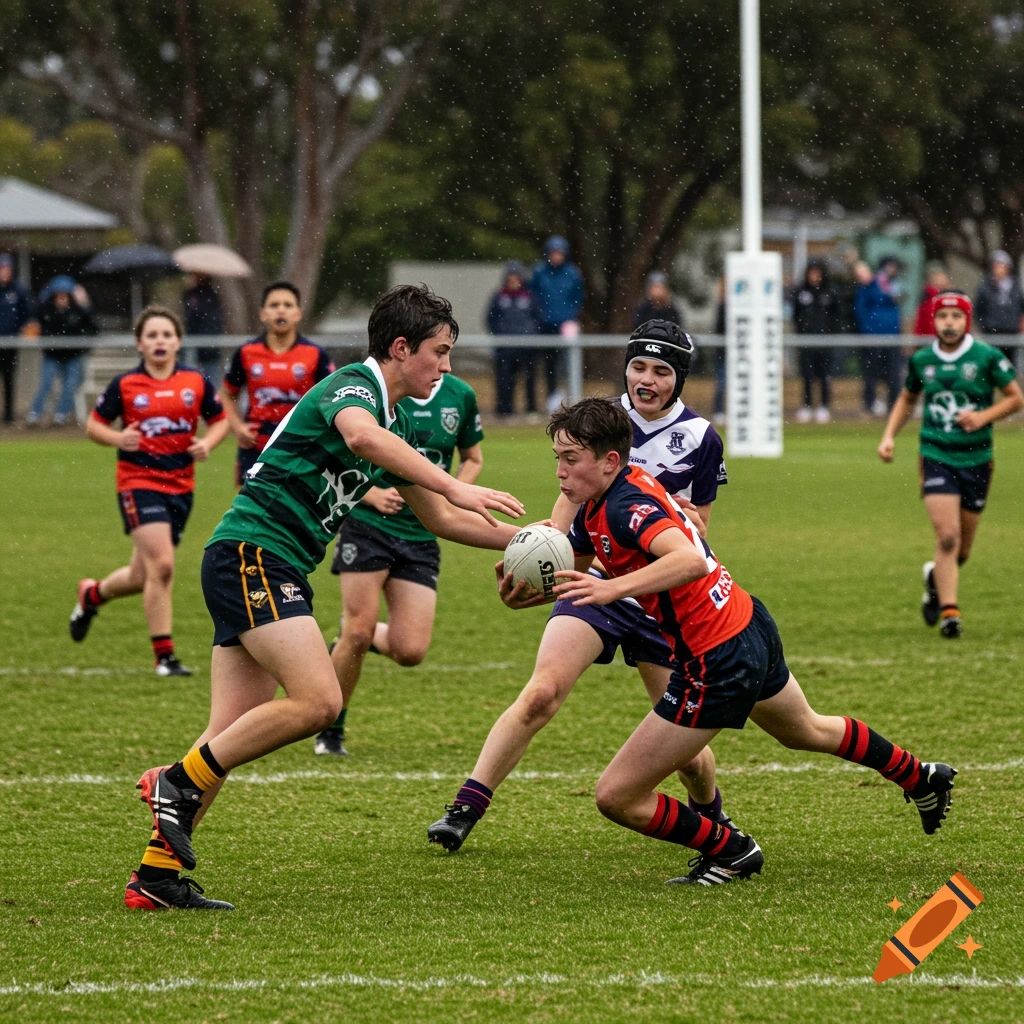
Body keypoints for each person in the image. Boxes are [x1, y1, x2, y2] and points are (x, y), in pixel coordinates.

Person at [124, 285, 525, 911]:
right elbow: (362, 441)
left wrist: (541, 541)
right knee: (318, 701)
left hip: (258, 561)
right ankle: (173, 782)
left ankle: (155, 876)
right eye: (439, 353)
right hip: (253, 554)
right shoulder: (354, 390)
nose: (446, 368)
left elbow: (446, 523)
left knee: (228, 733)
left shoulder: (390, 420)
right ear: (400, 348)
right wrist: (454, 482)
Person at [497, 398, 955, 886]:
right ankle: (919, 774)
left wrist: (612, 589)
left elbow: (687, 559)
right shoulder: (600, 502)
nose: (561, 472)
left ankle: (733, 851)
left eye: (571, 459)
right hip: (745, 623)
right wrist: (532, 595)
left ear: (610, 461)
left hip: (716, 658)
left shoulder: (628, 506)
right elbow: (581, 569)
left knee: (617, 796)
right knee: (805, 730)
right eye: (557, 459)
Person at [427, 320, 734, 857]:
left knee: (685, 750)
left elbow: (698, 529)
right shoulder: (598, 421)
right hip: (594, 581)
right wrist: (535, 574)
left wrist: (673, 514)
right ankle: (466, 807)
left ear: (679, 378)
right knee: (541, 692)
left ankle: (710, 812)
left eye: (662, 371)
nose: (647, 379)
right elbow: (563, 524)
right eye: (639, 366)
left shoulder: (702, 437)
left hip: (658, 600)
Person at [317, 370, 485, 756]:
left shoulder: (461, 394)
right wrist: (372, 494)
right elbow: (348, 450)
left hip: (423, 532)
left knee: (410, 651)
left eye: (447, 350)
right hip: (369, 526)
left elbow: (472, 457)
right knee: (358, 632)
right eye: (438, 349)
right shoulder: (384, 394)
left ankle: (350, 633)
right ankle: (331, 728)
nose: (443, 361)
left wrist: (454, 490)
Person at [69, 306, 230, 675]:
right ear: (139, 344)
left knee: (142, 576)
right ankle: (165, 657)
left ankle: (91, 595)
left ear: (178, 342)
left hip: (181, 486)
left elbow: (219, 421)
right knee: (164, 566)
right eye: (152, 335)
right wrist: (117, 437)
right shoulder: (125, 385)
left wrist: (209, 443)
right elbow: (94, 425)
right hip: (138, 483)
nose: (160, 341)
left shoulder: (194, 382)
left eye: (166, 335)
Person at [878, 291, 1022, 638]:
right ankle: (950, 613)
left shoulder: (986, 357)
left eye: (957, 317)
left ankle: (934, 579)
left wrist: (982, 416)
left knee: (963, 549)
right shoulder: (922, 359)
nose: (949, 323)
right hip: (936, 455)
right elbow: (908, 398)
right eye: (943, 317)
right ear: (935, 321)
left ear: (967, 321)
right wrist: (888, 436)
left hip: (977, 459)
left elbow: (1016, 398)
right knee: (947, 536)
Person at [220, 281, 334, 488]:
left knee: (293, 513)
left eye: (288, 305)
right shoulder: (247, 352)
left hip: (300, 446)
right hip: (255, 447)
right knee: (248, 514)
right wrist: (237, 427)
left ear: (298, 313)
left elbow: (331, 397)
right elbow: (227, 393)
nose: (281, 310)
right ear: (263, 313)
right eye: (274, 305)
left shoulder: (315, 354)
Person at [27, 277, 97, 426]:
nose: (61, 299)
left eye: (64, 295)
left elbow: (94, 327)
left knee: (70, 385)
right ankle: (34, 414)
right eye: (58, 295)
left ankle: (61, 415)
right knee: (46, 383)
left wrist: (86, 304)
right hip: (52, 355)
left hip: (73, 355)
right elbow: (34, 315)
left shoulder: (79, 310)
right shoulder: (47, 310)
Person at [530, 236, 584, 413]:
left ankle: (571, 402)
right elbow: (534, 297)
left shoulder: (572, 274)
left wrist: (569, 317)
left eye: (559, 253)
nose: (556, 256)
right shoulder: (539, 272)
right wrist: (541, 317)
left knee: (568, 365)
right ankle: (550, 401)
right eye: (553, 253)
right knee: (548, 367)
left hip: (566, 327)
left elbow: (578, 299)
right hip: (545, 327)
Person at [486, 262, 538, 417]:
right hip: (505, 347)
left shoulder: (529, 296)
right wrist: (500, 335)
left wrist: (530, 334)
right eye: (510, 278)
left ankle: (531, 410)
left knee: (529, 379)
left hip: (526, 347)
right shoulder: (499, 296)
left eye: (516, 278)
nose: (513, 281)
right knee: (504, 380)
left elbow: (537, 318)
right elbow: (490, 318)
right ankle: (504, 410)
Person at [792, 260, 841, 423]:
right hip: (806, 342)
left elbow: (836, 316)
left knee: (824, 376)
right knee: (807, 375)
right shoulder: (801, 292)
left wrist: (830, 333)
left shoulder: (830, 292)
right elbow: (796, 315)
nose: (815, 277)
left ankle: (824, 406)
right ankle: (807, 405)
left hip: (825, 342)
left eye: (817, 273)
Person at [855, 256, 904, 416]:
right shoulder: (870, 285)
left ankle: (893, 407)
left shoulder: (895, 286)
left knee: (893, 375)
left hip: (892, 337)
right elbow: (860, 310)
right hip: (873, 337)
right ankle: (869, 406)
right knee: (870, 374)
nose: (892, 270)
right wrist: (869, 331)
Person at [0, 253, 34, 424]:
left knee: (9, 379)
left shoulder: (17, 290)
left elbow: (27, 313)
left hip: (10, 343)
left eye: (6, 269)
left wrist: (22, 328)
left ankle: (9, 415)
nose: (4, 272)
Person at [973, 250, 1024, 364]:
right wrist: (985, 325)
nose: (999, 269)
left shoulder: (1016, 286)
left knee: (1010, 363)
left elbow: (1021, 306)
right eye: (996, 265)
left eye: (1002, 265)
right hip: (992, 332)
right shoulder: (985, 287)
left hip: (1011, 332)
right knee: (993, 361)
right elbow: (978, 309)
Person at [182, 274, 225, 382]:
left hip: (204, 346)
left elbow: (194, 319)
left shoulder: (202, 296)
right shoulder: (209, 295)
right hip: (203, 346)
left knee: (208, 379)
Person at [913, 263, 953, 336]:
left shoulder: (951, 297)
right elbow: (921, 323)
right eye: (939, 277)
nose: (943, 280)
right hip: (931, 339)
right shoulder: (928, 297)